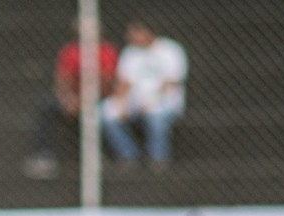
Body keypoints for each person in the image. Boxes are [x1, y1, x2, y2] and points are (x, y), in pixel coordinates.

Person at [23, 18, 119, 180]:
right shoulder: (70, 51)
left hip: (100, 97)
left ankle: (98, 155)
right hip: (74, 98)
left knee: (101, 110)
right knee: (46, 105)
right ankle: (44, 156)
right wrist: (68, 99)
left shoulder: (107, 51)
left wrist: (85, 99)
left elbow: (107, 81)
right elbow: (62, 79)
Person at [101, 20, 188, 170]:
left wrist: (150, 100)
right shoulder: (130, 52)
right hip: (135, 101)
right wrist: (121, 103)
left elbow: (172, 81)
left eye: (134, 33)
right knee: (106, 112)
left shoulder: (170, 49)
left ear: (147, 32)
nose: (130, 37)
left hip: (163, 99)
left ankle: (158, 158)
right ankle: (128, 155)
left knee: (156, 114)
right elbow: (124, 82)